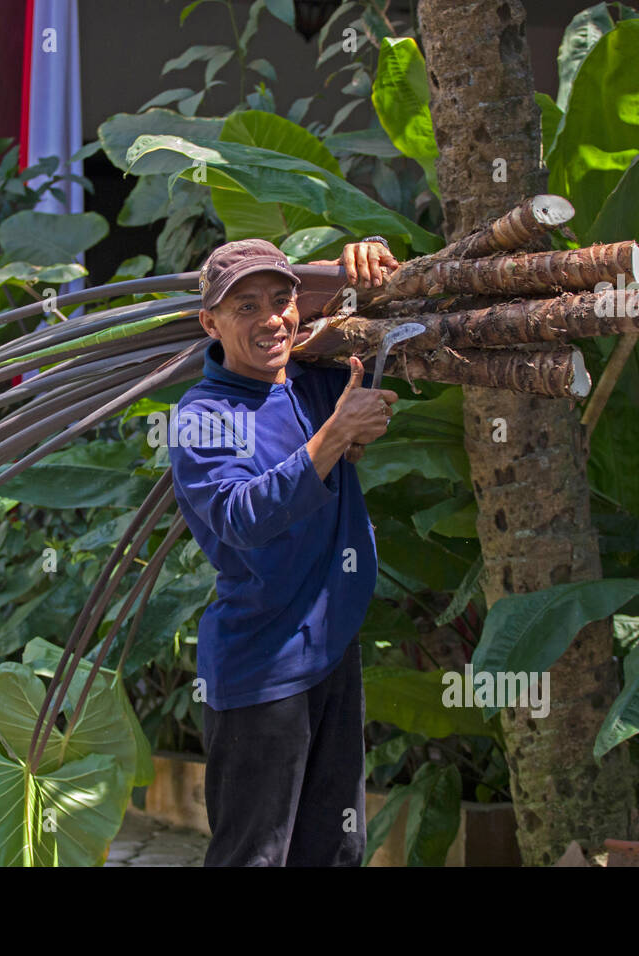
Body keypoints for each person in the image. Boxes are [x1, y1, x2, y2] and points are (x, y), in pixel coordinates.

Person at [167, 236, 400, 866]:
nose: (271, 319)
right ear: (208, 323)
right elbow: (241, 515)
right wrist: (335, 436)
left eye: (280, 300)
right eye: (244, 307)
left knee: (333, 850)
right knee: (256, 855)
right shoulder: (202, 414)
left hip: (331, 652)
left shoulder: (316, 381)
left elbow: (383, 308)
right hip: (261, 667)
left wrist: (364, 255)